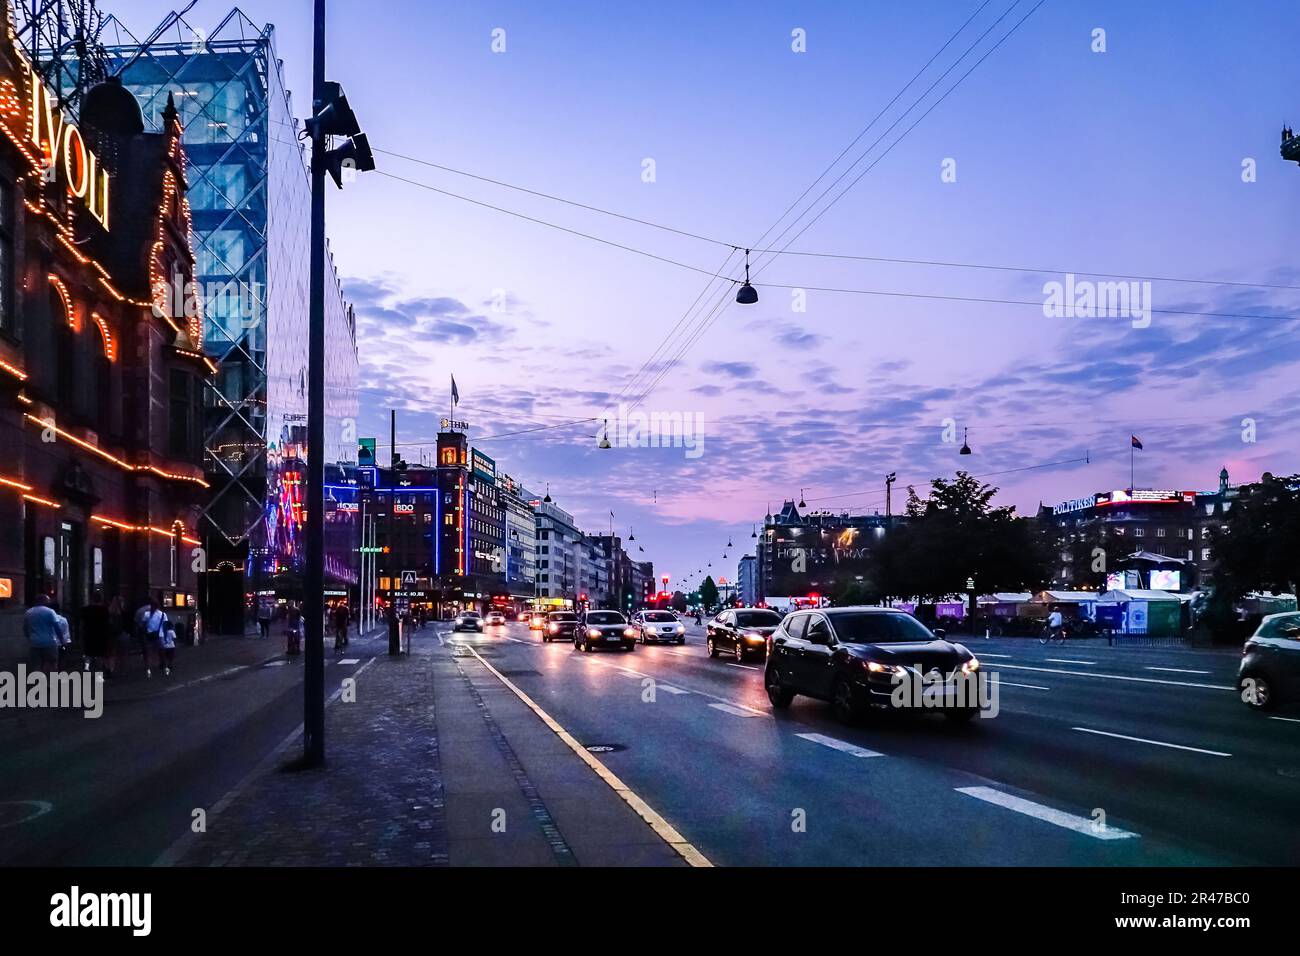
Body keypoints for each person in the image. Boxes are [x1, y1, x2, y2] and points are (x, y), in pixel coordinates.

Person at [23, 594, 62, 674]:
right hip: (49, 642)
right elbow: (57, 627)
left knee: (36, 664)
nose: (49, 602)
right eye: (48, 600)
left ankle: (39, 682)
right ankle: (48, 682)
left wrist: (29, 638)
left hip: (35, 643)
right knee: (51, 663)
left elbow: (25, 628)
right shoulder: (50, 612)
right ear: (44, 601)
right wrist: (61, 640)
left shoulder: (28, 612)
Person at [81, 590, 113, 676]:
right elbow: (108, 622)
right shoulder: (104, 610)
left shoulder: (86, 609)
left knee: (88, 653)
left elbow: (82, 622)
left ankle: (86, 668)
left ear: (91, 599)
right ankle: (105, 669)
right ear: (100, 599)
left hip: (89, 634)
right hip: (101, 634)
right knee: (102, 653)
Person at [141, 599, 166, 677]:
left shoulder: (160, 614)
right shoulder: (160, 614)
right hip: (156, 635)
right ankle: (158, 664)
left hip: (154, 635)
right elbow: (165, 625)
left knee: (154, 650)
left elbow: (143, 624)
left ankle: (151, 665)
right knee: (158, 650)